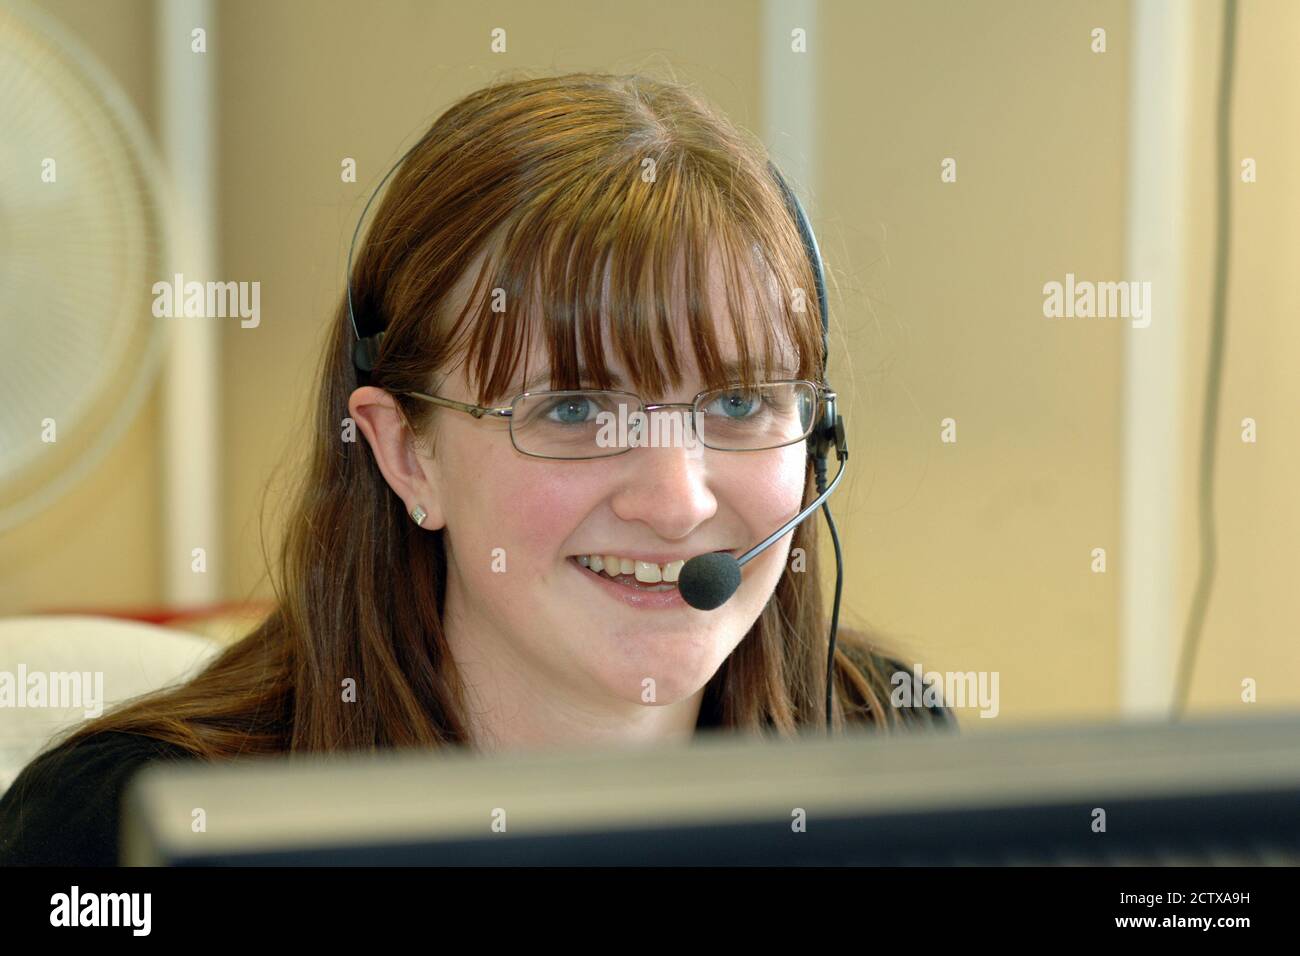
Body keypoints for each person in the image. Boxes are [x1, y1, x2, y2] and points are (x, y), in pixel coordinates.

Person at [0, 70, 954, 867]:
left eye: (740, 404)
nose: (676, 503)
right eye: (574, 410)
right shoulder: (125, 827)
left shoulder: (885, 746)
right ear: (406, 454)